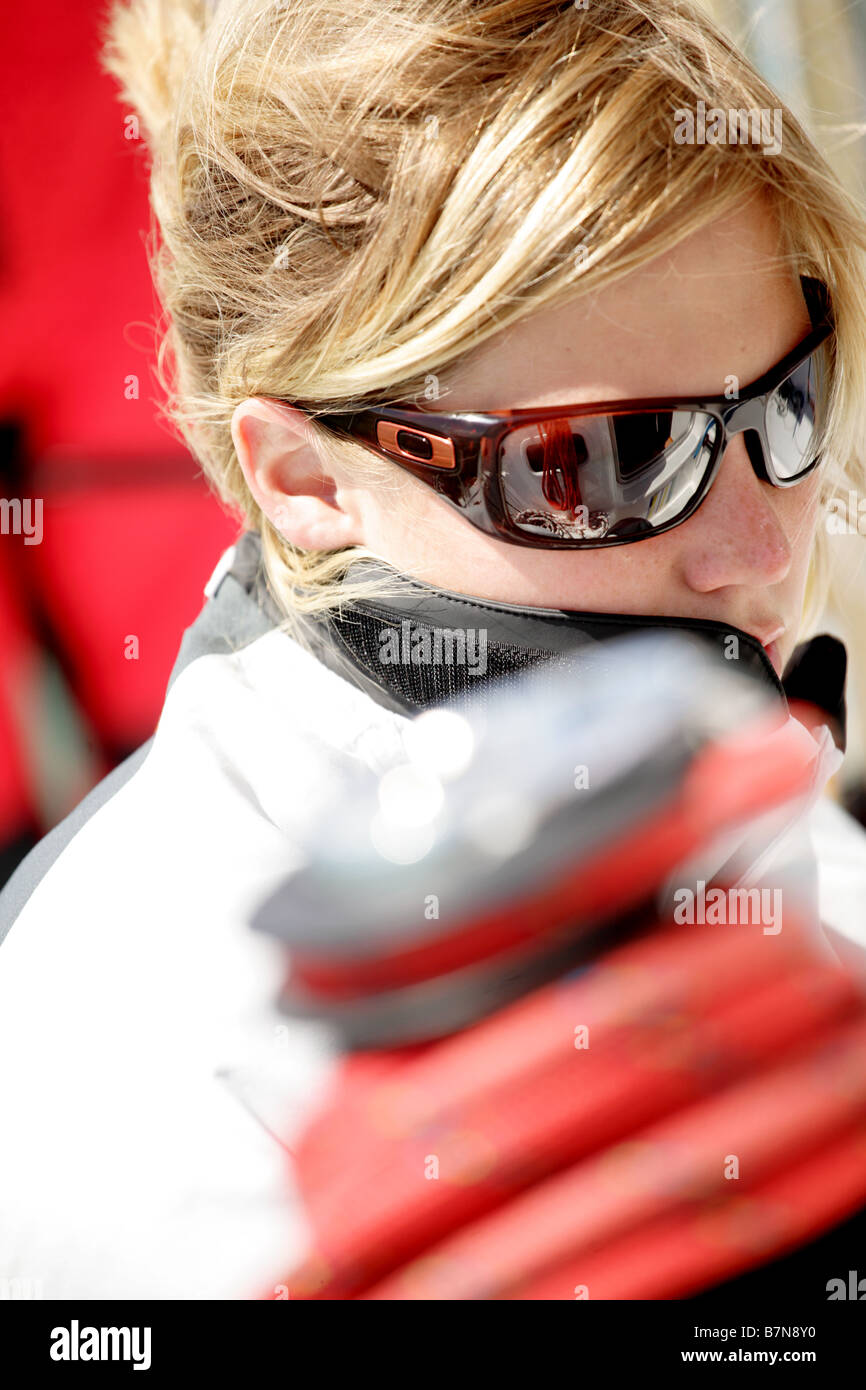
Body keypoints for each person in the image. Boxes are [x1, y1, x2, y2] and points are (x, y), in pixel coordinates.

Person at [1, 0, 865, 1299]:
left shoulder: (696, 741)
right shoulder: (124, 1061)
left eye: (784, 403)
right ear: (302, 475)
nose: (756, 544)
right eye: (601, 460)